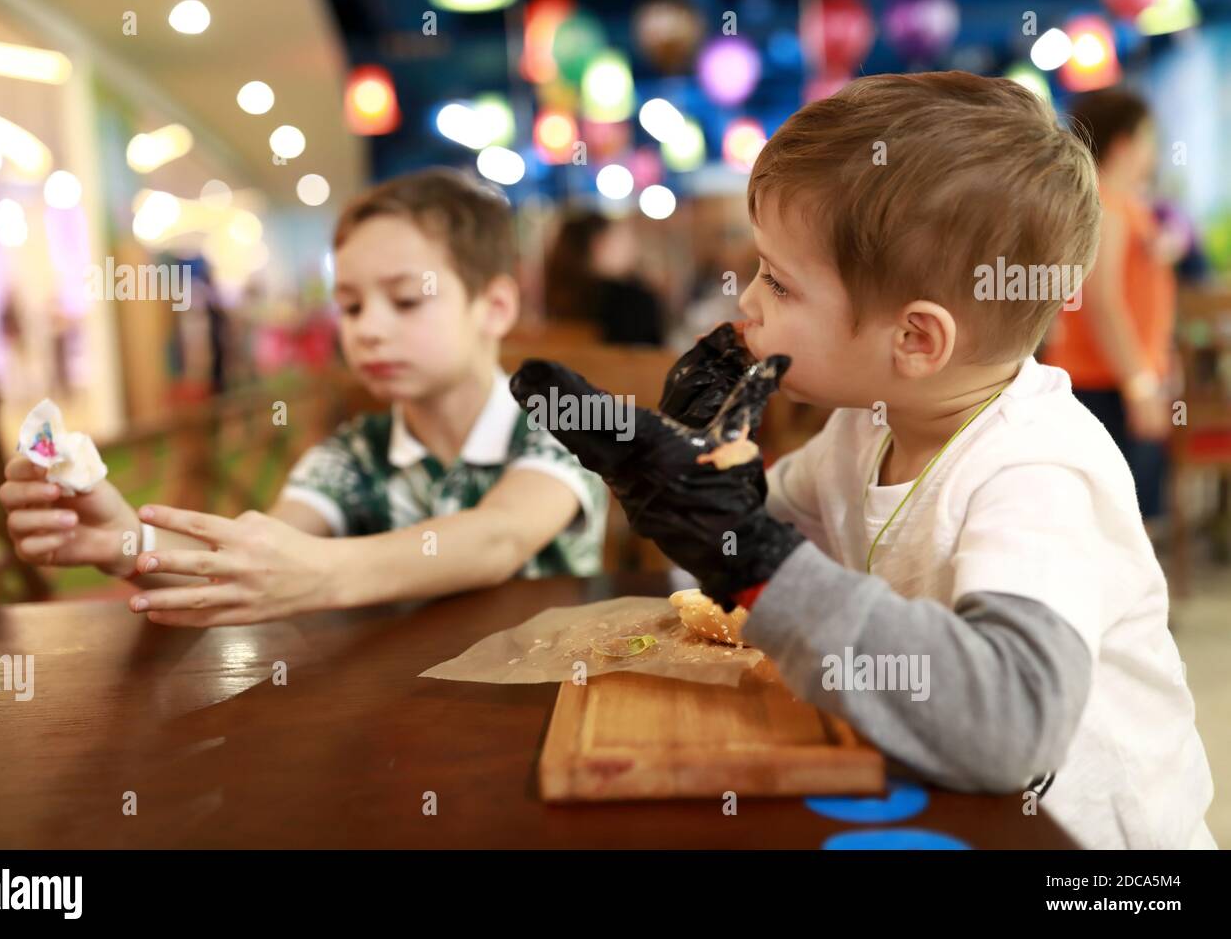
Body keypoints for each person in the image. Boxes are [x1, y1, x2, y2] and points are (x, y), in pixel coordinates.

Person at [513, 73, 1214, 849]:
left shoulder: (1041, 473)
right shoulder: (864, 429)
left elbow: (1008, 723)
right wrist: (691, 486)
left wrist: (758, 562)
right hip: (941, 800)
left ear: (915, 340)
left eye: (777, 281)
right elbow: (733, 567)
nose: (745, 301)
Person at [0, 168, 607, 626]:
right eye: (350, 305)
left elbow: (497, 537)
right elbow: (257, 549)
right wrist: (125, 541)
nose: (367, 328)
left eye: (405, 300)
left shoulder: (561, 425)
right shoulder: (353, 453)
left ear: (495, 306)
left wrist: (318, 574)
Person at [1041, 87, 1180, 531]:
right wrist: (1139, 385)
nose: (1153, 153)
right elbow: (1104, 304)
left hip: (1116, 377)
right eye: (1149, 140)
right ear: (1124, 145)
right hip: (1108, 384)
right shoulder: (1106, 204)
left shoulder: (1119, 203)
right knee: (1117, 523)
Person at [544, 210, 665, 345]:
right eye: (622, 239)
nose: (632, 247)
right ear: (599, 244)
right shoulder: (634, 300)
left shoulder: (559, 295)